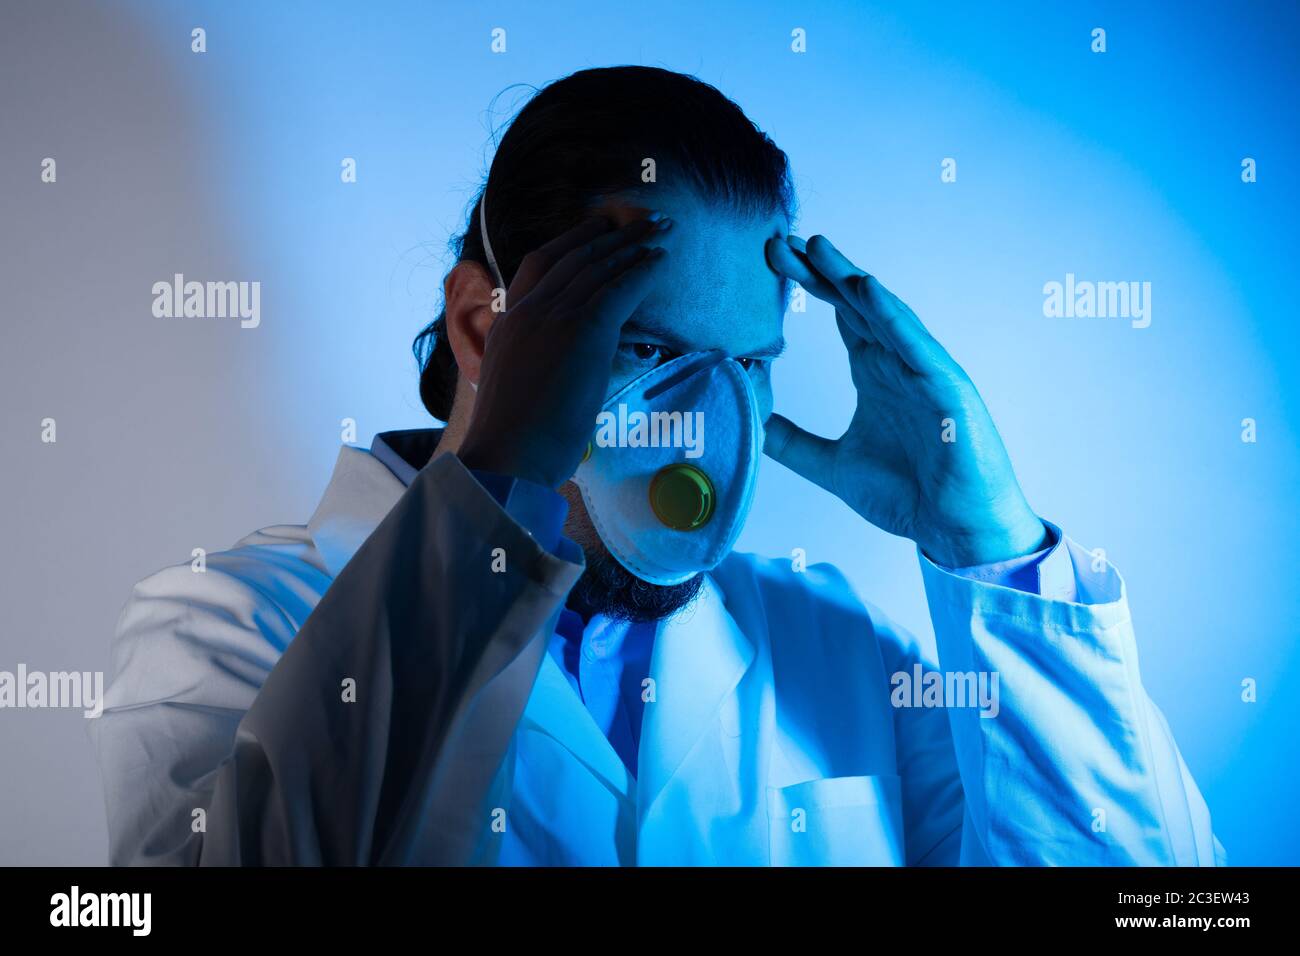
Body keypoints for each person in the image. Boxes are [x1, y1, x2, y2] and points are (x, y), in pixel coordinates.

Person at [89, 65, 1222, 866]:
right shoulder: (229, 623)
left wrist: (993, 545)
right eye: (649, 348)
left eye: (748, 364)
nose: (709, 425)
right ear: (487, 327)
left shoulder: (826, 643)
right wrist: (491, 502)